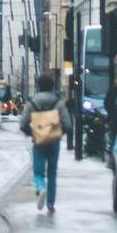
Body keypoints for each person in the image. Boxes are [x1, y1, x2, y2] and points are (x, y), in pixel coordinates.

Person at [20, 73, 71, 214]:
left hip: (38, 141)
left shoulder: (33, 103)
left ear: (38, 86)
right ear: (52, 86)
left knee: (38, 171)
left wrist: (34, 133)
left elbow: (23, 124)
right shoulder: (58, 103)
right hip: (54, 141)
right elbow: (67, 124)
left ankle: (40, 187)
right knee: (52, 173)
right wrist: (58, 133)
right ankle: (50, 204)